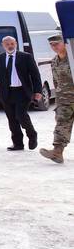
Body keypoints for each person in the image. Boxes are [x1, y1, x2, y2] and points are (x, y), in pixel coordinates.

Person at [0, 35, 43, 151]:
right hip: (7, 93)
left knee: (21, 115)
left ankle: (32, 135)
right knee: (12, 119)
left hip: (22, 92)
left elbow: (35, 75)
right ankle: (18, 144)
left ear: (15, 44)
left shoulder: (26, 57)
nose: (10, 46)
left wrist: (38, 91)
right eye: (7, 44)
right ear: (3, 45)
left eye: (12, 44)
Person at [40, 33, 72, 164]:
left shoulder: (72, 58)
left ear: (64, 43)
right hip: (64, 99)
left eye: (56, 44)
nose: (54, 47)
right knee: (61, 124)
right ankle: (57, 152)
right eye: (51, 45)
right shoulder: (54, 61)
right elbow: (55, 80)